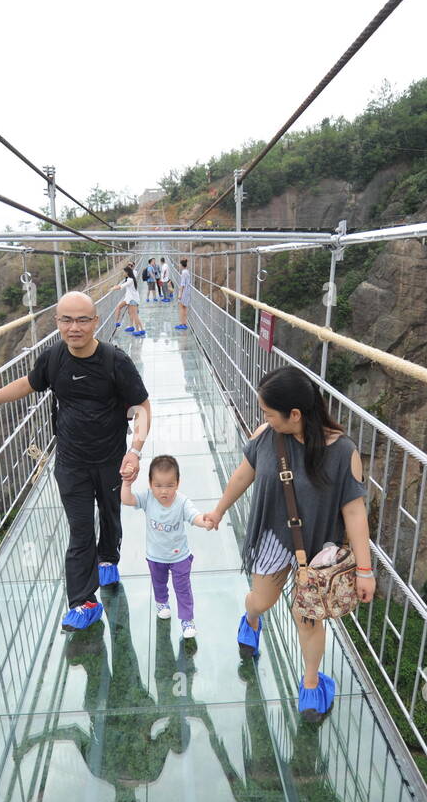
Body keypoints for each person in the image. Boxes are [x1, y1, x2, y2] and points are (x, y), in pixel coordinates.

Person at [0, 291, 151, 631]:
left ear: (96, 321)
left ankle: (109, 557)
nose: (75, 328)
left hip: (111, 458)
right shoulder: (53, 358)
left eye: (83, 319)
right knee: (80, 528)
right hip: (70, 460)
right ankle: (84, 601)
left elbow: (143, 407)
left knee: (110, 514)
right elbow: (27, 384)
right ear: (57, 322)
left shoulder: (115, 362)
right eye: (67, 320)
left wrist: (136, 450)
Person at [201, 366, 376, 721]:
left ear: (295, 414)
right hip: (273, 537)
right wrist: (219, 510)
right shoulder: (269, 436)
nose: (263, 418)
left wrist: (365, 569)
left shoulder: (343, 452)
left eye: (268, 412)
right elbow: (242, 475)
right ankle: (250, 619)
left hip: (318, 550)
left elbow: (355, 513)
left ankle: (311, 684)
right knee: (262, 600)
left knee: (307, 617)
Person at [121, 454, 214, 639]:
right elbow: (127, 500)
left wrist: (203, 522)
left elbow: (193, 516)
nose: (164, 491)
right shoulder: (147, 498)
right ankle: (162, 602)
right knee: (159, 582)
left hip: (180, 556)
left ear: (178, 483)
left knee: (183, 588)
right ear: (150, 483)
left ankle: (187, 620)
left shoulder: (182, 502)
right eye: (158, 486)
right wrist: (127, 483)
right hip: (155, 556)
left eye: (170, 485)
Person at [109, 263, 145, 336]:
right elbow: (122, 285)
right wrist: (115, 286)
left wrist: (112, 288)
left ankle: (139, 330)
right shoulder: (130, 279)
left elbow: (121, 287)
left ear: (127, 273)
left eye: (124, 272)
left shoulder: (130, 280)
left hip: (132, 299)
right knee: (133, 314)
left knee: (135, 315)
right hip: (130, 298)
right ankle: (141, 330)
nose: (123, 274)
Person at [173, 258, 192, 331]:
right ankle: (184, 324)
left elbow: (182, 285)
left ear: (181, 265)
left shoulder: (183, 273)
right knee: (185, 308)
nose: (179, 265)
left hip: (184, 292)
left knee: (181, 308)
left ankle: (181, 324)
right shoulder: (187, 271)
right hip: (187, 292)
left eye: (179, 264)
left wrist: (180, 294)